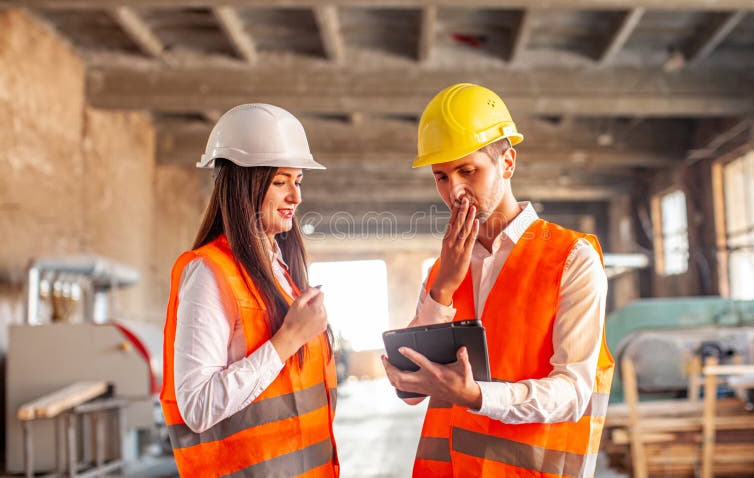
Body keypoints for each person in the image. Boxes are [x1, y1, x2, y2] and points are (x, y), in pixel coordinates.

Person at [382, 83, 614, 477]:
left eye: (467, 171)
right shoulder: (443, 271)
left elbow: (575, 391)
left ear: (507, 163)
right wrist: (443, 289)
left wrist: (476, 396)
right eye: (440, 176)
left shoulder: (571, 258)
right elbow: (411, 392)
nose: (454, 190)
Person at [160, 104, 339, 477]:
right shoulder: (209, 273)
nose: (296, 197)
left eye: (299, 181)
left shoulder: (281, 273)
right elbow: (197, 405)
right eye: (280, 182)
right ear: (244, 186)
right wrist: (288, 339)